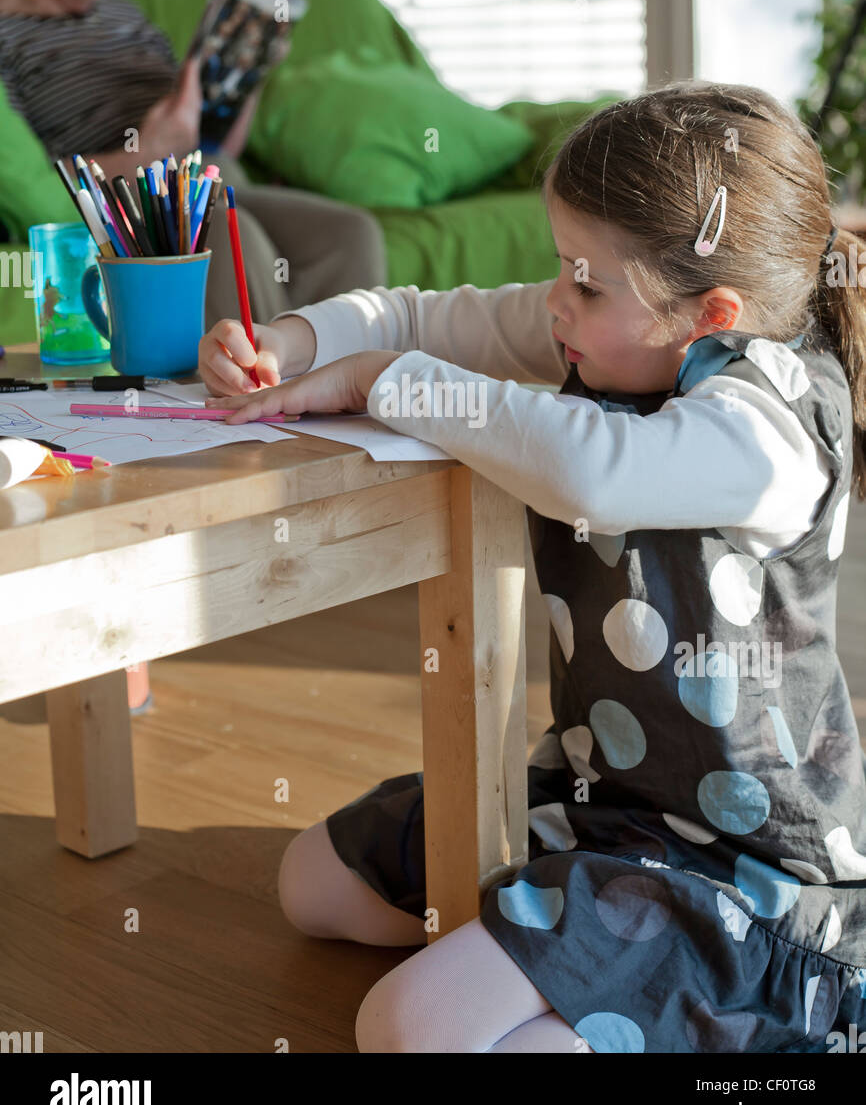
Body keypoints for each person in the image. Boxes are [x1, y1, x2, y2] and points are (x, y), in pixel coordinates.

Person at [197, 80, 866, 1053]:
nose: (555, 301)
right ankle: (585, 973)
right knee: (314, 885)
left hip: (745, 872)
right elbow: (422, 315)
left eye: (584, 283)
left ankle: (739, 1019)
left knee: (408, 1026)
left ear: (712, 314)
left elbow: (590, 469)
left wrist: (382, 381)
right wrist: (289, 341)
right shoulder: (616, 334)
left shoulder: (769, 428)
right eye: (562, 267)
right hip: (600, 802)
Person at [0, 0, 387, 328]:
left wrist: (250, 73)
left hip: (210, 172)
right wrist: (149, 151)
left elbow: (221, 141)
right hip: (139, 194)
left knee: (350, 233)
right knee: (228, 231)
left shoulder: (124, 15)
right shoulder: (6, 36)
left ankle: (345, 389)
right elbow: (37, 182)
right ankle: (265, 392)